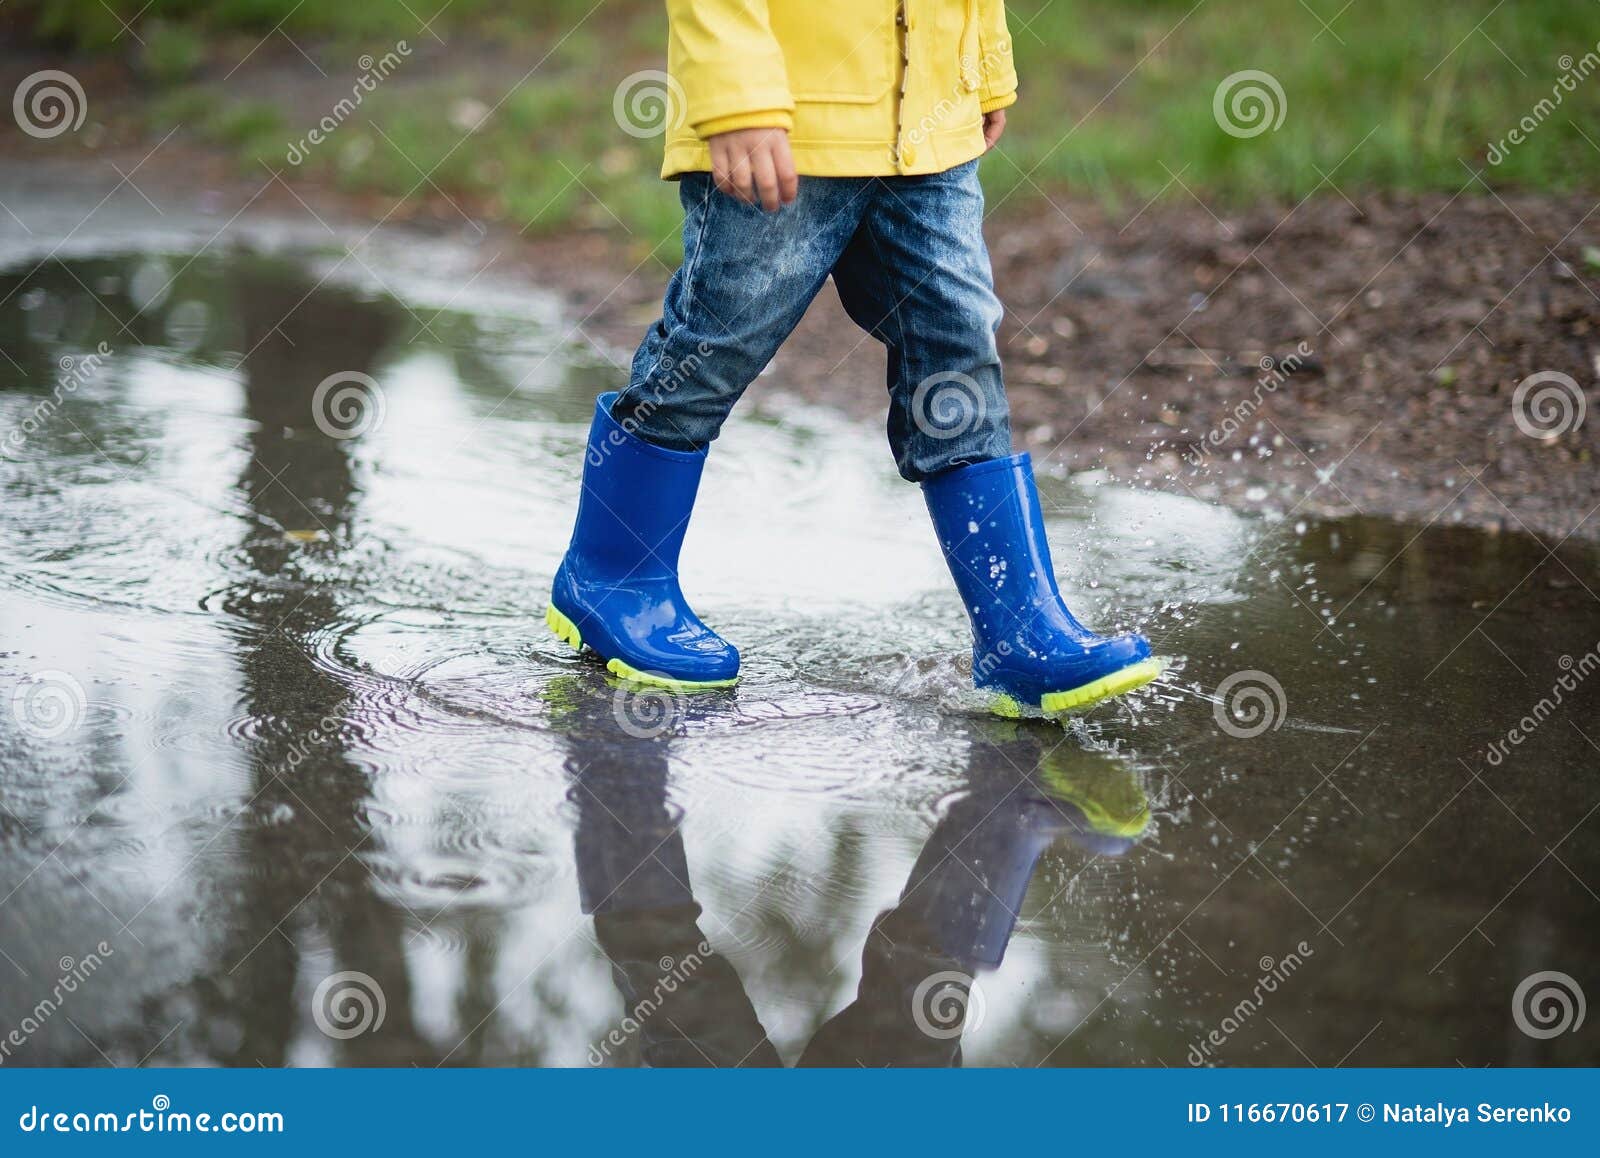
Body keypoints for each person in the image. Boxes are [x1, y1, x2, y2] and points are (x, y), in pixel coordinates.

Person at [548, 0, 1160, 715]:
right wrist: (738, 99)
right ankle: (614, 577)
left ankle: (1020, 633)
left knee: (956, 349)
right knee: (715, 347)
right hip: (783, 133)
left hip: (929, 129)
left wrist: (984, 70)